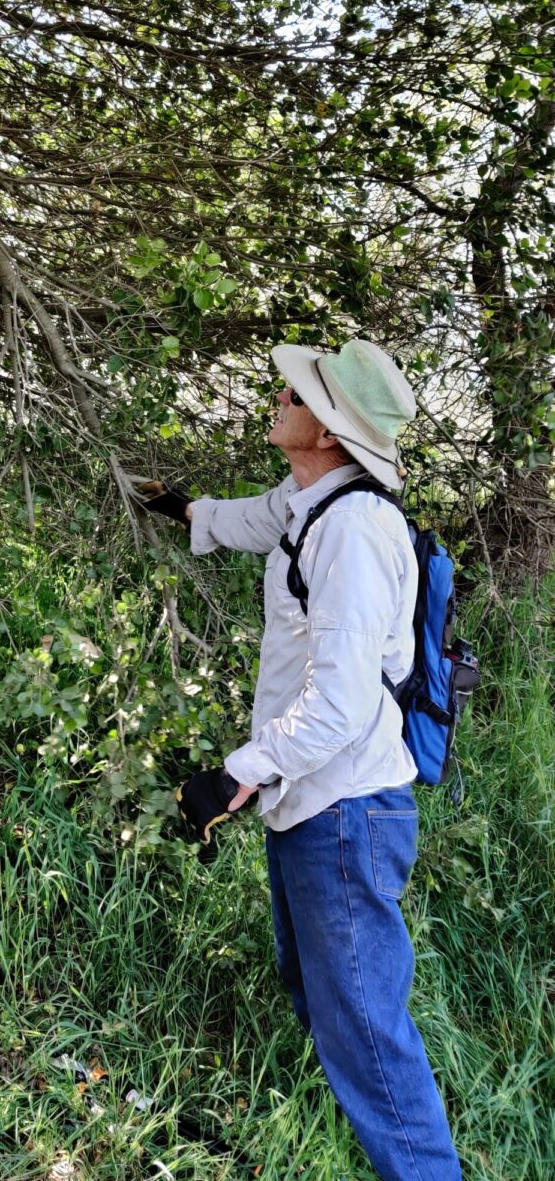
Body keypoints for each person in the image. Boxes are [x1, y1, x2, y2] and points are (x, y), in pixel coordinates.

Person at [137, 340, 462, 1181]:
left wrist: (238, 773)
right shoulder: (312, 501)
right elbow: (256, 519)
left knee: (367, 1032)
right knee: (317, 991)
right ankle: (362, 1146)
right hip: (316, 804)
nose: (280, 396)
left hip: (346, 813)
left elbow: (342, 705)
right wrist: (178, 507)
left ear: (327, 431)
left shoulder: (354, 531)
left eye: (298, 394)